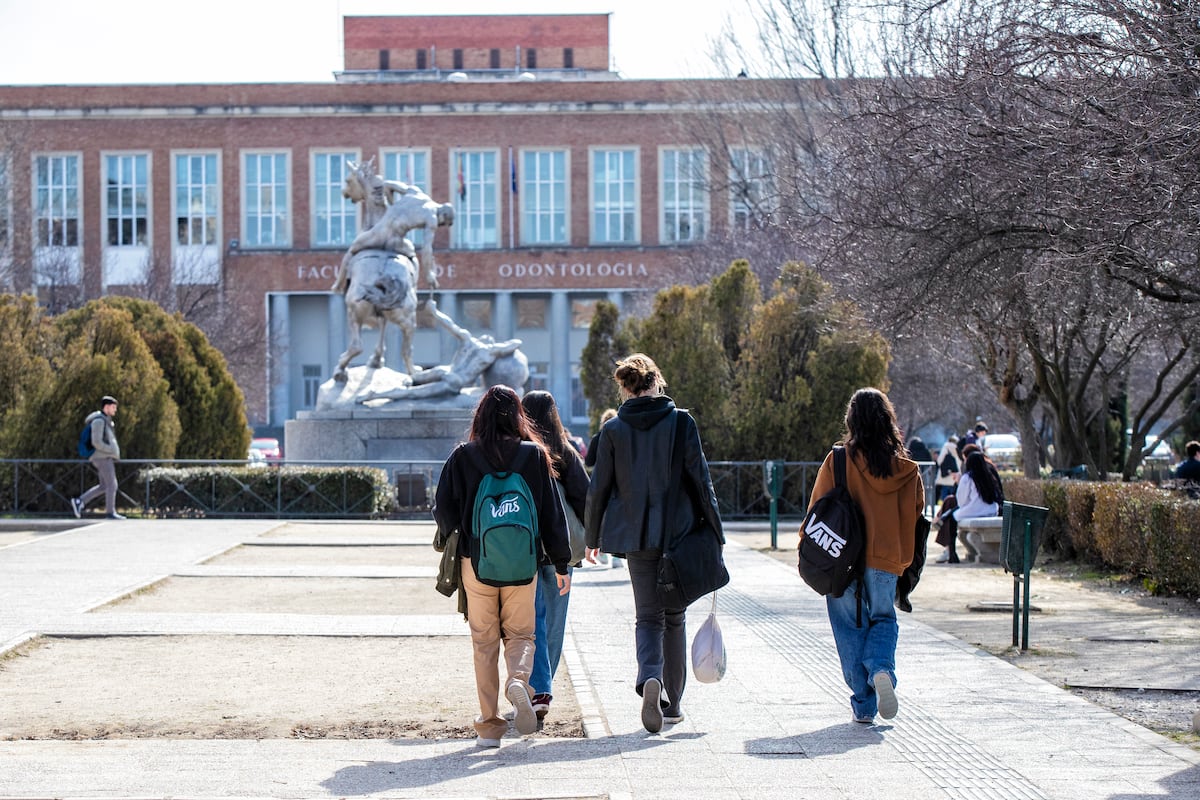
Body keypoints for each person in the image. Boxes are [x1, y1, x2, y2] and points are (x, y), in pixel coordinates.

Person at [584, 353, 723, 733]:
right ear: (656, 381)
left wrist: (591, 538)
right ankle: (673, 705)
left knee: (647, 616)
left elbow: (598, 489)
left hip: (636, 537)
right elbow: (701, 480)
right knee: (674, 617)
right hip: (678, 535)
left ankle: (650, 677)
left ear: (625, 388)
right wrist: (716, 531)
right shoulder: (682, 423)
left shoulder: (613, 431)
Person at [432, 385, 572, 748]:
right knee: (523, 635)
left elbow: (442, 507)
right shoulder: (534, 456)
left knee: (484, 641)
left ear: (480, 416)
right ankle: (518, 682)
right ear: (517, 416)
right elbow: (552, 515)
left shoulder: (463, 456)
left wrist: (454, 534)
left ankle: (490, 727)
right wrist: (560, 563)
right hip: (523, 565)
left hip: (475, 561)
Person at [807, 388, 923, 724]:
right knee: (883, 618)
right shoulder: (908, 470)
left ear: (851, 419)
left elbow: (817, 507)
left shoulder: (839, 460)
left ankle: (863, 704)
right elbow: (916, 516)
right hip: (887, 559)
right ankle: (881, 668)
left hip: (842, 558)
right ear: (889, 420)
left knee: (849, 628)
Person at [520, 390, 590, 725]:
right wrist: (594, 538)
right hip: (563, 548)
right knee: (555, 622)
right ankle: (543, 690)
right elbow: (584, 497)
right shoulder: (565, 451)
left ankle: (538, 688)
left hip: (528, 549)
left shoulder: (521, 453)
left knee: (532, 621)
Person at [360, 299, 525, 402]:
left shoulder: (469, 340)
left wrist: (434, 312)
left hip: (446, 371)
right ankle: (376, 395)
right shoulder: (490, 352)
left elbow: (450, 325)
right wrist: (435, 312)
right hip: (456, 381)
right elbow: (515, 343)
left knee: (415, 385)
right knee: (413, 394)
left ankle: (391, 388)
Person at [71, 396, 125, 520]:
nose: (115, 410)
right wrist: (111, 450)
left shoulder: (105, 420)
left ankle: (79, 501)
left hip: (103, 457)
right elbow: (96, 442)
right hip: (102, 458)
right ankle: (110, 513)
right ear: (106, 407)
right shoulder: (99, 421)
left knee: (104, 486)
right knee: (112, 484)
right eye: (113, 407)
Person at [934, 435, 959, 502]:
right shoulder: (958, 448)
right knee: (953, 493)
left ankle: (944, 507)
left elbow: (940, 460)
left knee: (944, 495)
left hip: (945, 474)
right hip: (954, 474)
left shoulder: (946, 447)